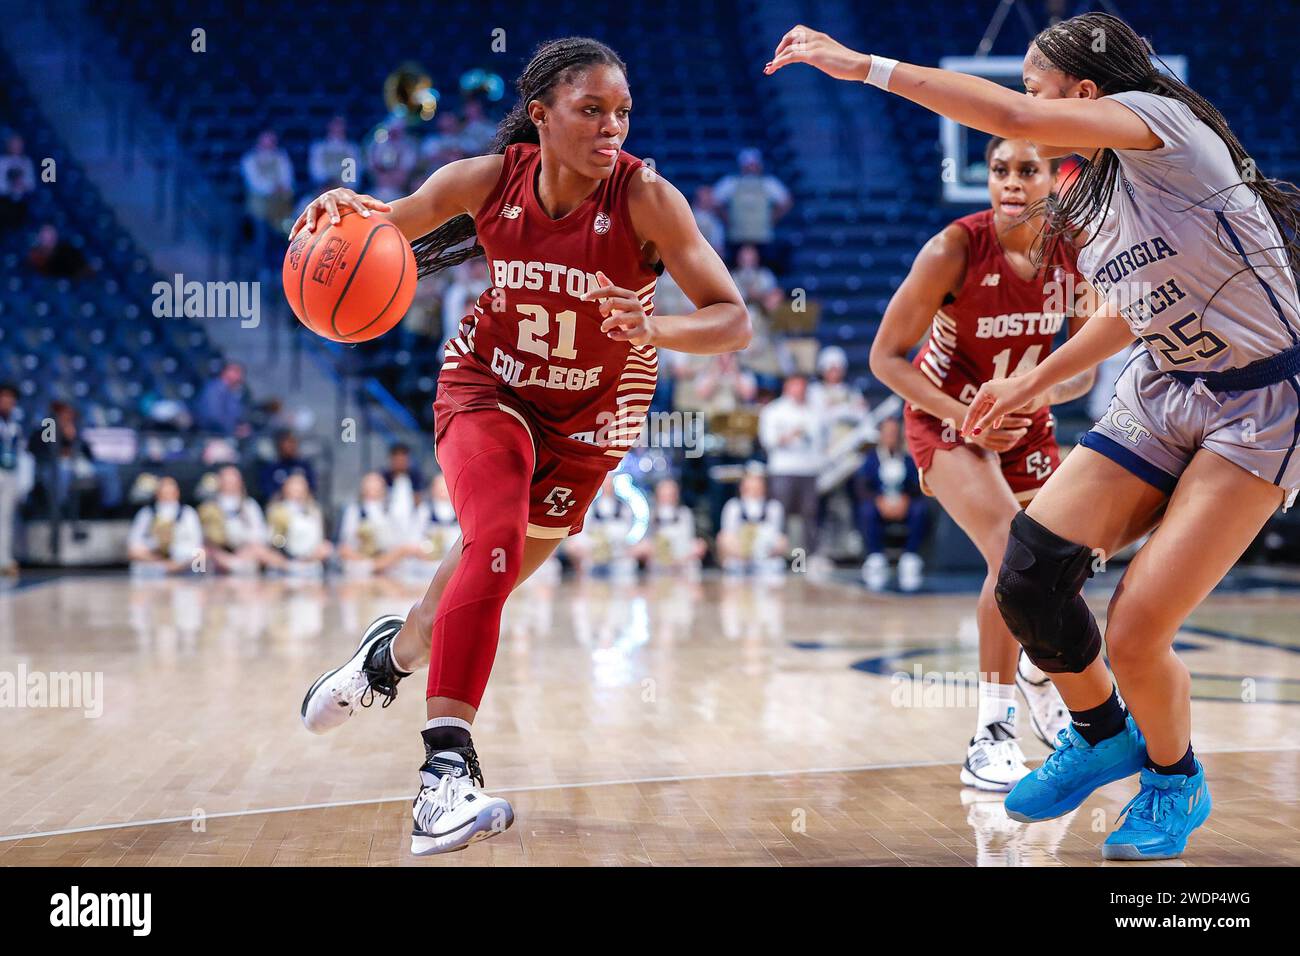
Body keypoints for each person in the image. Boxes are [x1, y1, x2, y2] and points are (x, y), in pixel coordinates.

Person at [769, 13, 1300, 859]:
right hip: (1165, 390)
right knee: (1027, 573)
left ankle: (1175, 782)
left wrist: (862, 66)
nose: (1021, 99)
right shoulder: (1100, 199)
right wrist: (1033, 379)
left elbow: (1011, 122)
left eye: (1033, 83)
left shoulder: (1165, 126)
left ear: (1084, 96)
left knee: (1134, 630)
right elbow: (1134, 313)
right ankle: (1097, 730)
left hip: (1259, 400)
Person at [294, 37, 749, 855]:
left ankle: (384, 663)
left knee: (481, 579)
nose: (612, 127)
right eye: (591, 111)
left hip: (594, 419)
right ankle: (444, 775)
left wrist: (657, 325)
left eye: (622, 113)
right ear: (540, 115)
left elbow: (733, 317)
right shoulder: (483, 180)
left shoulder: (647, 197)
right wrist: (339, 206)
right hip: (487, 386)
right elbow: (376, 232)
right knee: (494, 540)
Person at [867, 134, 1086, 789]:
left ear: (1055, 179)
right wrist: (968, 417)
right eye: (998, 170)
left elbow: (1084, 369)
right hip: (948, 416)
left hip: (1025, 416)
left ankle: (1036, 673)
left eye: (1027, 169)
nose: (1011, 181)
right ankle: (991, 733)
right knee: (1011, 552)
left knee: (1060, 563)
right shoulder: (953, 249)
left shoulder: (1075, 253)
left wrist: (1038, 393)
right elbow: (884, 358)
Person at [758, 375, 827, 559]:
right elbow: (767, 441)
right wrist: (789, 436)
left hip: (808, 470)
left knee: (810, 516)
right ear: (787, 387)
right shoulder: (773, 411)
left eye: (803, 386)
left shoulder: (814, 412)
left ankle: (812, 557)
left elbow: (820, 443)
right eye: (796, 385)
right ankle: (775, 555)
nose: (800, 390)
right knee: (780, 515)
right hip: (783, 470)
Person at [855, 417, 927, 592]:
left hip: (902, 503)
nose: (891, 437)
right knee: (866, 510)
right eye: (888, 433)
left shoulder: (908, 460)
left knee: (921, 509)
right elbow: (862, 486)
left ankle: (910, 555)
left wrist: (906, 499)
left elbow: (916, 485)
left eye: (895, 433)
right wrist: (878, 500)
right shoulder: (871, 459)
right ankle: (875, 555)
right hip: (879, 503)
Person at [713, 147, 792, 264]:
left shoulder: (769, 183)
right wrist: (727, 219)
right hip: (737, 237)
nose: (751, 168)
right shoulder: (731, 183)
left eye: (753, 165)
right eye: (747, 165)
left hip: (762, 237)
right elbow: (714, 201)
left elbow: (786, 201)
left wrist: (771, 219)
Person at [199, 465, 282, 573]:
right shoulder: (210, 506)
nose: (230, 484)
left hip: (246, 552)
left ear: (240, 482)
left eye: (234, 481)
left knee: (261, 550)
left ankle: (291, 567)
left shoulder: (249, 505)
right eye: (227, 480)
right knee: (201, 553)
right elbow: (203, 535)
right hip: (219, 553)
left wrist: (245, 547)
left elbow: (260, 533)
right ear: (219, 482)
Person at [336, 471, 420, 574]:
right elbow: (346, 544)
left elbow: (399, 541)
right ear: (363, 489)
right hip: (362, 561)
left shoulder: (392, 512)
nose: (373, 490)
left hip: (389, 562)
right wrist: (367, 560)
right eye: (370, 486)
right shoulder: (354, 511)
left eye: (376, 486)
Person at [717, 470, 787, 574]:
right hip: (739, 550)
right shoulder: (733, 505)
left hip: (764, 549)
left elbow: (776, 533)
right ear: (742, 486)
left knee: (782, 540)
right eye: (750, 480)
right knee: (723, 538)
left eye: (757, 481)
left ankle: (760, 562)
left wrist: (760, 546)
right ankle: (742, 563)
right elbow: (728, 533)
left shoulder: (773, 506)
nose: (754, 484)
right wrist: (744, 549)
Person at [127, 476, 202, 573]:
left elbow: (198, 544)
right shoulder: (146, 514)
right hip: (154, 563)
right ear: (157, 494)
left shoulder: (188, 513)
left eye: (170, 493)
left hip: (183, 563)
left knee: (201, 555)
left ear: (177, 493)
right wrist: (158, 559)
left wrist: (177, 563)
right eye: (163, 493)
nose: (167, 496)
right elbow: (133, 547)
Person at [632, 477, 705, 575]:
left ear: (676, 496)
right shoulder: (652, 515)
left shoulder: (685, 513)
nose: (667, 498)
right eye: (664, 495)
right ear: (658, 496)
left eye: (670, 495)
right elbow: (646, 544)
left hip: (683, 559)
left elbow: (691, 540)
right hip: (659, 561)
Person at [265, 473, 332, 569]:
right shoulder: (278, 510)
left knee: (327, 548)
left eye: (300, 487)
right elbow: (275, 541)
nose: (297, 491)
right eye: (294, 487)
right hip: (286, 556)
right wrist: (281, 535)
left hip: (311, 556)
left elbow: (319, 537)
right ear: (286, 489)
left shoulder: (314, 510)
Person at [0, 384, 23, 574]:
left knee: (6, 517)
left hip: (9, 472)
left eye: (11, 399)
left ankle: (4, 559)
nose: (8, 402)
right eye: (4, 397)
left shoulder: (14, 424)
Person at [195, 363, 250, 438]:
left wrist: (242, 426)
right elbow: (214, 416)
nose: (240, 376)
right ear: (226, 372)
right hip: (212, 434)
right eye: (236, 371)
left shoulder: (235, 392)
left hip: (230, 433)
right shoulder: (214, 388)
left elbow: (239, 413)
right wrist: (234, 430)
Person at [258, 429, 315, 501]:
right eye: (287, 442)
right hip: (278, 504)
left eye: (293, 442)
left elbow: (312, 488)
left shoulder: (304, 466)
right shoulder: (271, 468)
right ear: (279, 445)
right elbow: (267, 492)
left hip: (303, 503)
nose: (290, 446)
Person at [308, 116, 360, 191]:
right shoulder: (318, 147)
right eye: (335, 124)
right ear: (329, 126)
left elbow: (352, 178)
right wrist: (330, 182)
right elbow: (317, 174)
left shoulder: (351, 148)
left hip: (344, 190)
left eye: (340, 124)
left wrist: (340, 184)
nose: (337, 128)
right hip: (324, 190)